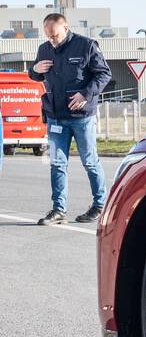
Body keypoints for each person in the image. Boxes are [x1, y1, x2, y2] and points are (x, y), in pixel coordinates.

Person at [29, 13, 111, 225]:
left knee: (90, 162)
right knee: (57, 164)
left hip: (82, 118)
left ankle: (100, 206)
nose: (51, 40)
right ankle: (58, 210)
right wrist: (34, 70)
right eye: (48, 36)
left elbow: (104, 74)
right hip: (56, 117)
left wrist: (85, 94)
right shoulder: (44, 49)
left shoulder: (86, 45)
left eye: (54, 36)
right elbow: (36, 75)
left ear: (66, 28)